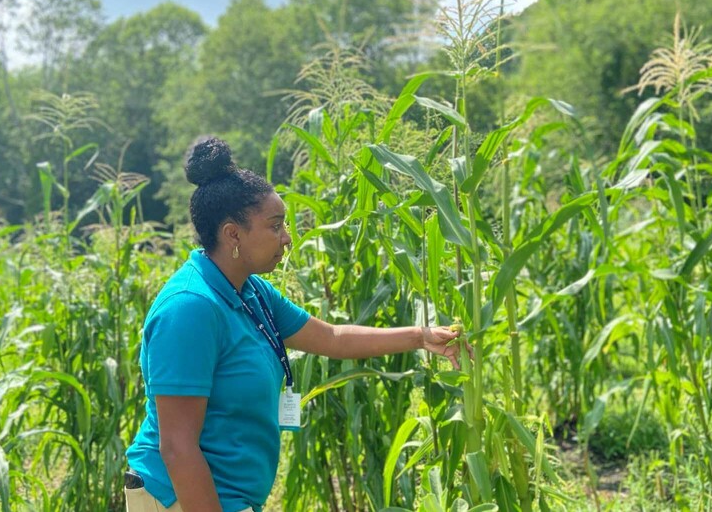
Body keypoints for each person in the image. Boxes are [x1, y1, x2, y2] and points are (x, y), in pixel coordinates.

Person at [125, 137, 464, 512]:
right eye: (275, 226)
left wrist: (421, 336)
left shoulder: (252, 293)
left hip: (228, 497)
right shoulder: (190, 309)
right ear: (232, 234)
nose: (287, 238)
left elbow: (333, 338)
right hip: (180, 498)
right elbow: (177, 446)